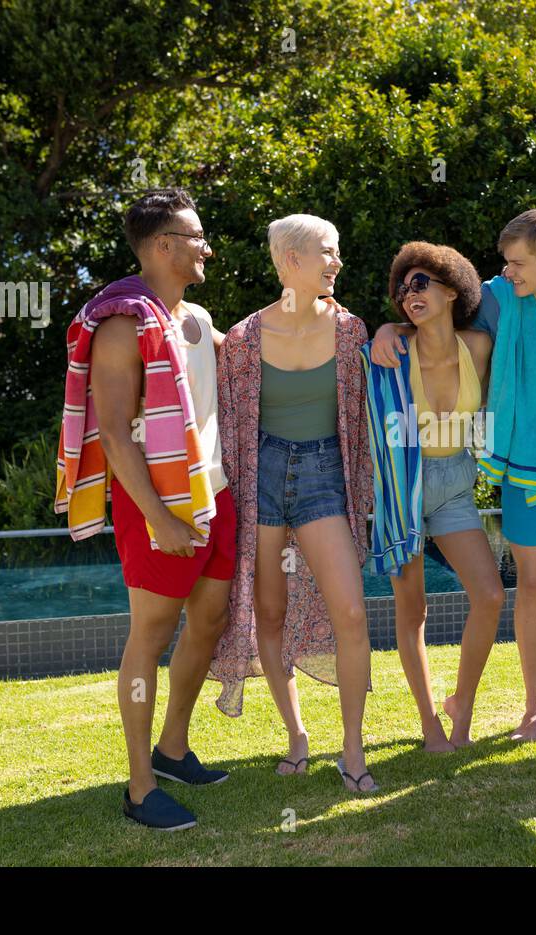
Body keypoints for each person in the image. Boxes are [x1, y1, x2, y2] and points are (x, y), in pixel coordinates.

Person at [372, 208, 536, 744]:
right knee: (532, 585)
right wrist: (389, 325)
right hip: (525, 465)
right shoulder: (498, 299)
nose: (506, 271)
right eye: (505, 262)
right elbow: (436, 321)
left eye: (516, 263)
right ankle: (533, 709)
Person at [56, 188, 236, 831]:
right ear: (165, 247)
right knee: (151, 636)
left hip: (216, 494)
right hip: (156, 505)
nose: (207, 247)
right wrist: (160, 518)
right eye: (197, 237)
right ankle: (138, 787)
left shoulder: (195, 318)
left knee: (209, 621)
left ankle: (173, 749)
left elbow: (252, 349)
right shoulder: (122, 325)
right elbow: (111, 434)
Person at [210, 214, 379, 793]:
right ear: (289, 263)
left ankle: (353, 747)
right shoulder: (244, 338)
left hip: (324, 473)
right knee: (271, 613)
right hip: (260, 473)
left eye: (337, 254)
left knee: (351, 612)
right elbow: (223, 414)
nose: (336, 264)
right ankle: (297, 735)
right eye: (326, 254)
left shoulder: (354, 331)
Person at [369, 242, 502, 750]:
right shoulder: (393, 349)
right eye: (403, 289)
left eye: (421, 283)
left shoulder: (478, 348)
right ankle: (429, 723)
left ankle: (461, 703)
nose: (409, 295)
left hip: (453, 485)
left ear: (452, 290)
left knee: (489, 595)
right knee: (413, 610)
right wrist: (387, 328)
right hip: (403, 485)